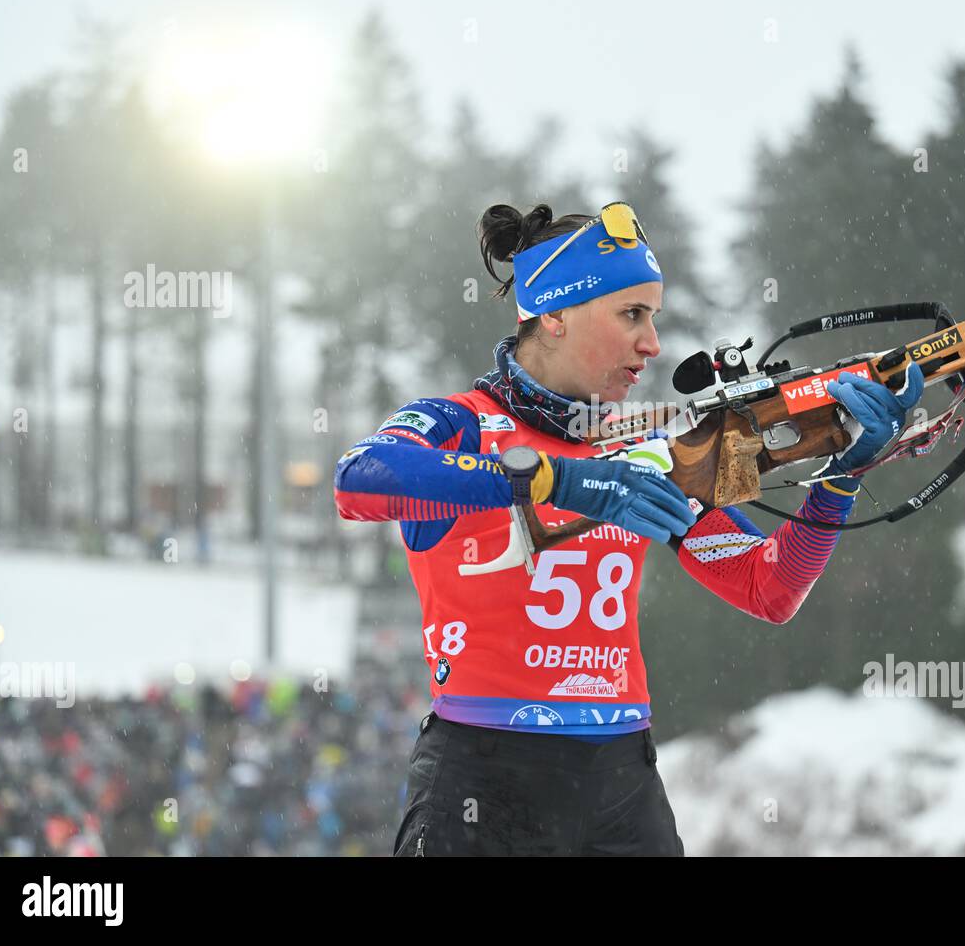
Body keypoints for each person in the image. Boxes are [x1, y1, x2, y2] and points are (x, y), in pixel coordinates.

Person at [333, 202, 924, 856]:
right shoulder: (462, 423)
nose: (652, 345)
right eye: (631, 315)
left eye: (655, 318)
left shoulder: (651, 444)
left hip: (621, 781)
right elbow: (359, 478)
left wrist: (840, 479)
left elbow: (768, 588)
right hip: (487, 779)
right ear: (554, 316)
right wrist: (552, 480)